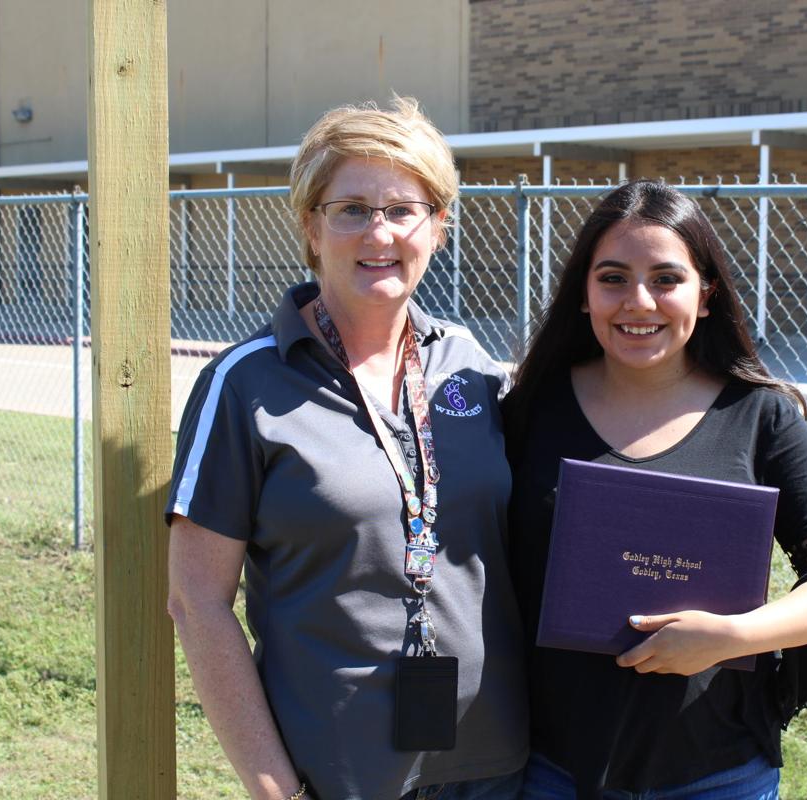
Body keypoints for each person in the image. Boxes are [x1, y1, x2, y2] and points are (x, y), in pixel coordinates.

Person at [165, 98, 527, 800]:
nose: (379, 232)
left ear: (438, 226)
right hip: (339, 776)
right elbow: (197, 602)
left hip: (495, 768)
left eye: (403, 210)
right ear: (310, 225)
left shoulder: (471, 367)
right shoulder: (246, 385)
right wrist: (277, 791)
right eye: (352, 209)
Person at [502, 180, 807, 800]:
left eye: (666, 279)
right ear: (583, 295)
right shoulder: (529, 411)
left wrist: (735, 636)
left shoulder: (761, 417)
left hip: (717, 772)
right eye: (613, 278)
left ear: (705, 296)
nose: (639, 301)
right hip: (552, 768)